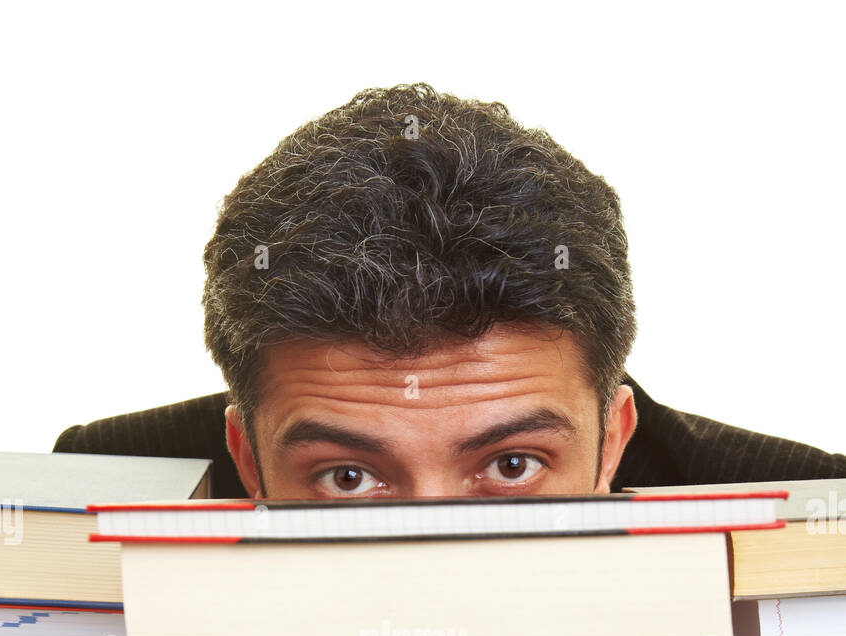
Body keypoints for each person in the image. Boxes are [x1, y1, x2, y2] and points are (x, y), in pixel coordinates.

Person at [57, 85, 845, 495]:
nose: (431, 548)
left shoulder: (805, 524)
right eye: (348, 478)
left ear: (613, 440)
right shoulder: (102, 493)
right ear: (248, 458)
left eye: (511, 466)